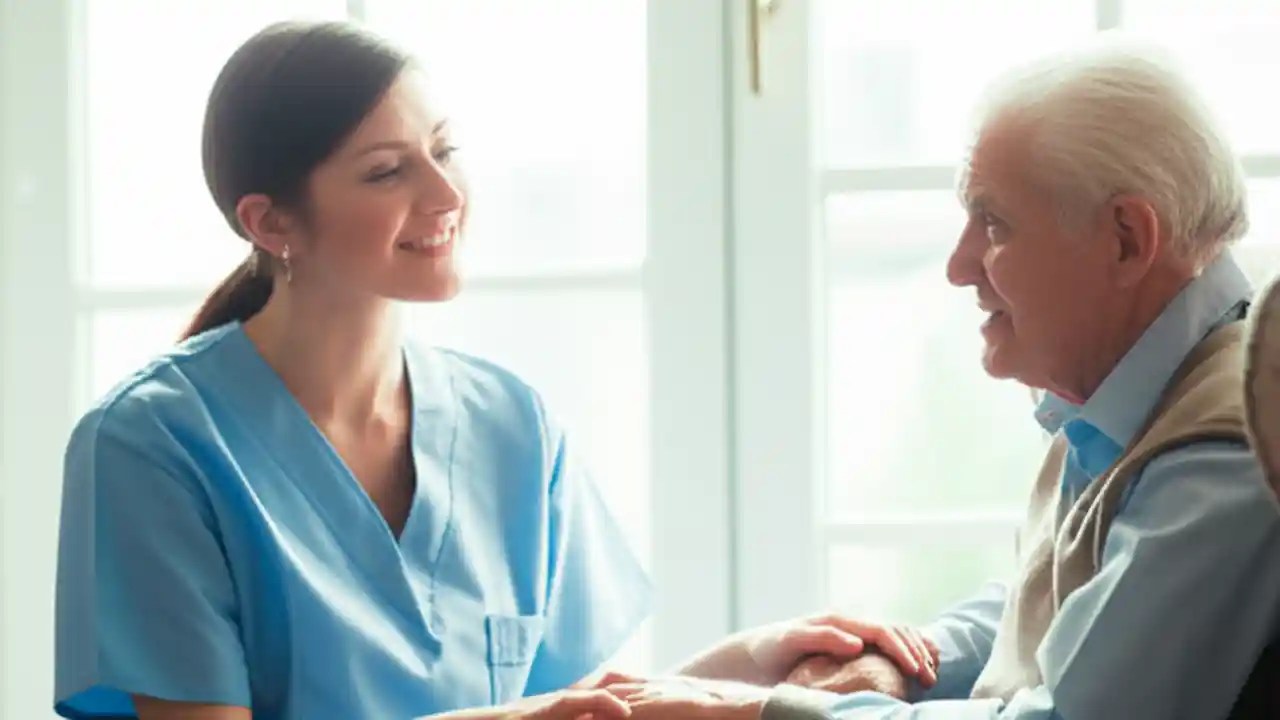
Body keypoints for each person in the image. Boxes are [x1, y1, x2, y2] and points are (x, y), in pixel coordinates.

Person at [52, 19, 944, 720]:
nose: (444, 197)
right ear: (271, 222)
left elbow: (577, 703)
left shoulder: (509, 423)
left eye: (444, 150)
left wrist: (754, 661)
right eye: (386, 171)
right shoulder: (152, 444)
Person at [600, 40, 1280, 720]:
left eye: (993, 223)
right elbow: (1052, 604)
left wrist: (759, 715)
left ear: (1126, 238)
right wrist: (905, 658)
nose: (959, 265)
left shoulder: (1227, 449)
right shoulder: (1136, 399)